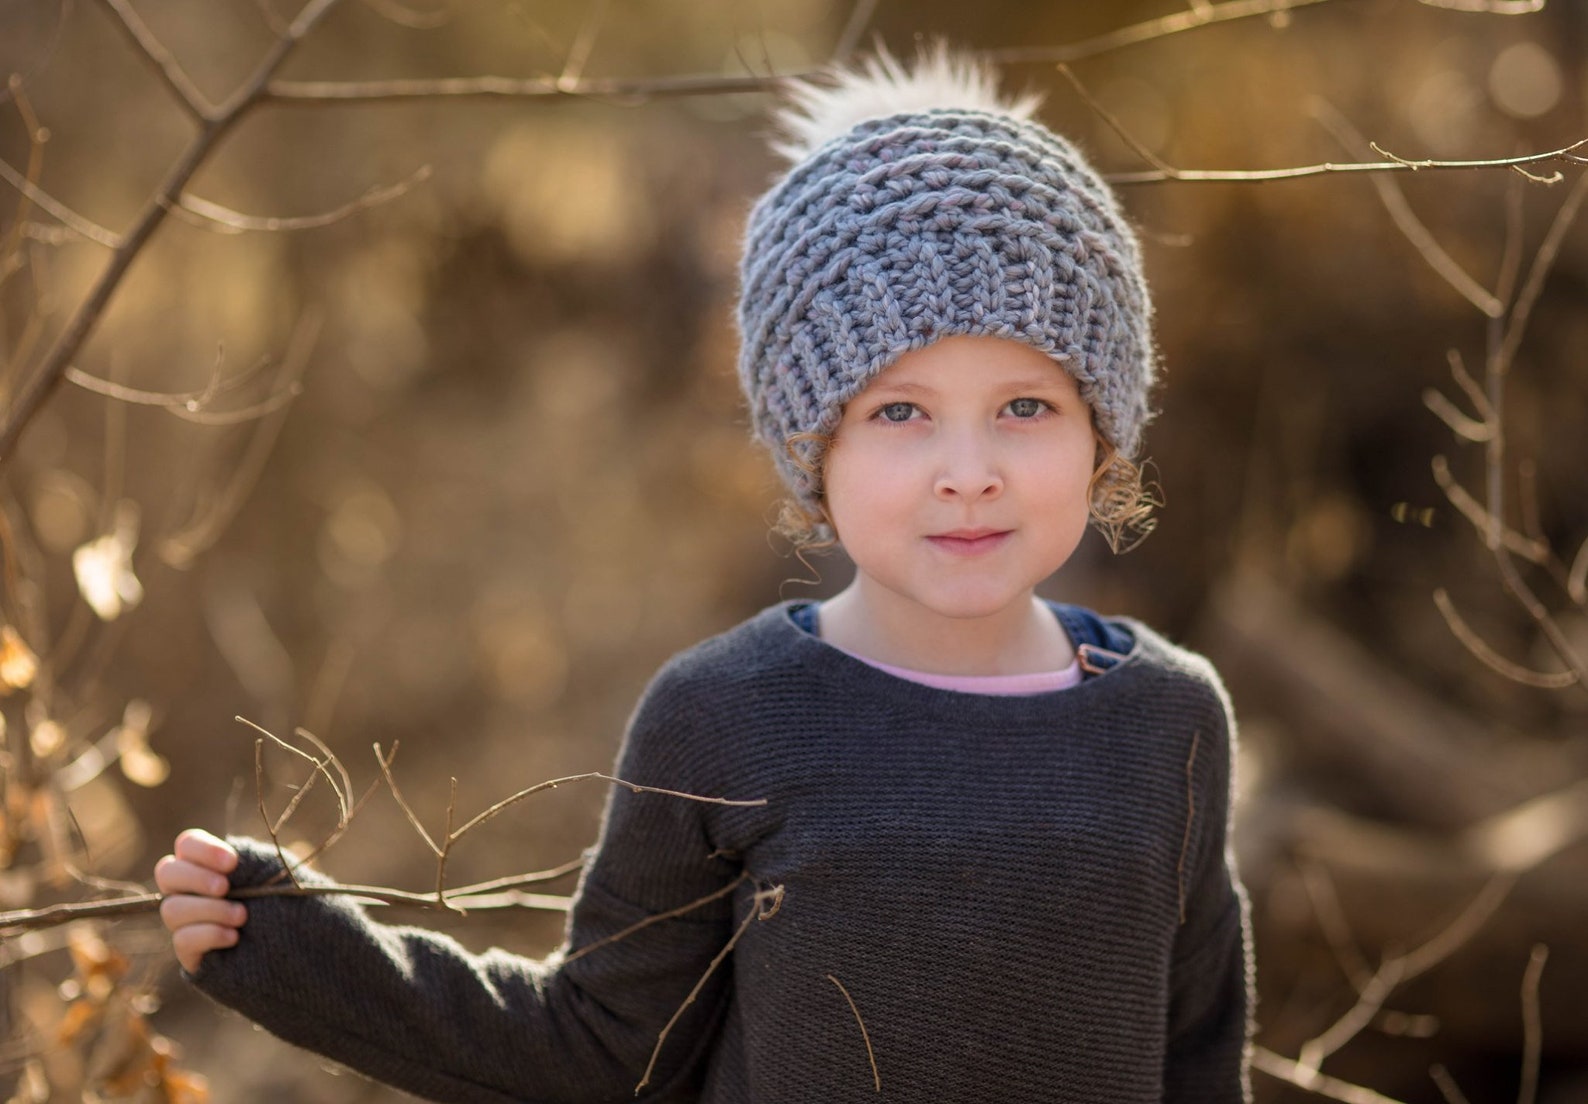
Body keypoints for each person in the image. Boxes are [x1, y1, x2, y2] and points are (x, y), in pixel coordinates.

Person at [156, 42, 1253, 1103]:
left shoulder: (1171, 726)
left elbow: (1196, 1068)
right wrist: (291, 947)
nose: (967, 474)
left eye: (1024, 407)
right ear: (811, 446)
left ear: (1103, 436)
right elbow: (598, 1053)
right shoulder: (726, 719)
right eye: (899, 413)